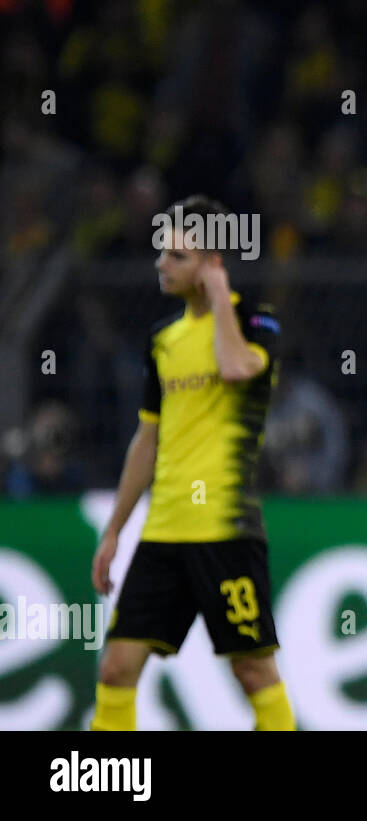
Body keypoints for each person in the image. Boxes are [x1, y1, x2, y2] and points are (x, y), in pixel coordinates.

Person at [89, 195, 293, 731]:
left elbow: (232, 367)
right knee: (116, 668)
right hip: (164, 530)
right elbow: (147, 440)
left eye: (178, 256)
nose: (162, 264)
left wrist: (221, 297)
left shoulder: (257, 322)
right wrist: (115, 530)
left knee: (253, 671)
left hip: (225, 530)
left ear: (212, 263)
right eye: (162, 253)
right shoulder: (163, 341)